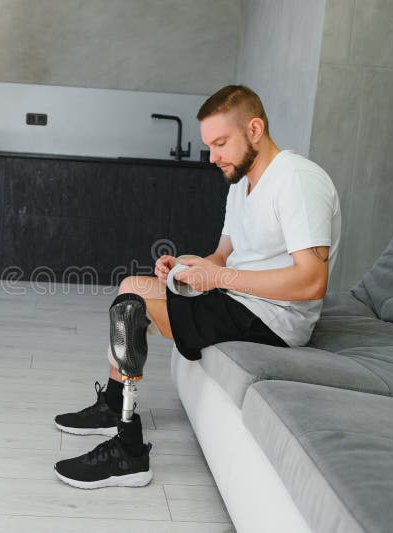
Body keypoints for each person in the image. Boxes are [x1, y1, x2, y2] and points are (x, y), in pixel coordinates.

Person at [53, 85, 342, 489]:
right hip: (241, 299)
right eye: (210, 146)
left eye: (221, 143)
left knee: (133, 304)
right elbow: (224, 254)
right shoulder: (242, 183)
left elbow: (312, 281)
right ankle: (114, 406)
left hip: (276, 318)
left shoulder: (297, 181)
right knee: (130, 287)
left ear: (255, 129)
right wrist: (190, 266)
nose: (213, 157)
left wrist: (218, 278)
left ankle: (129, 453)